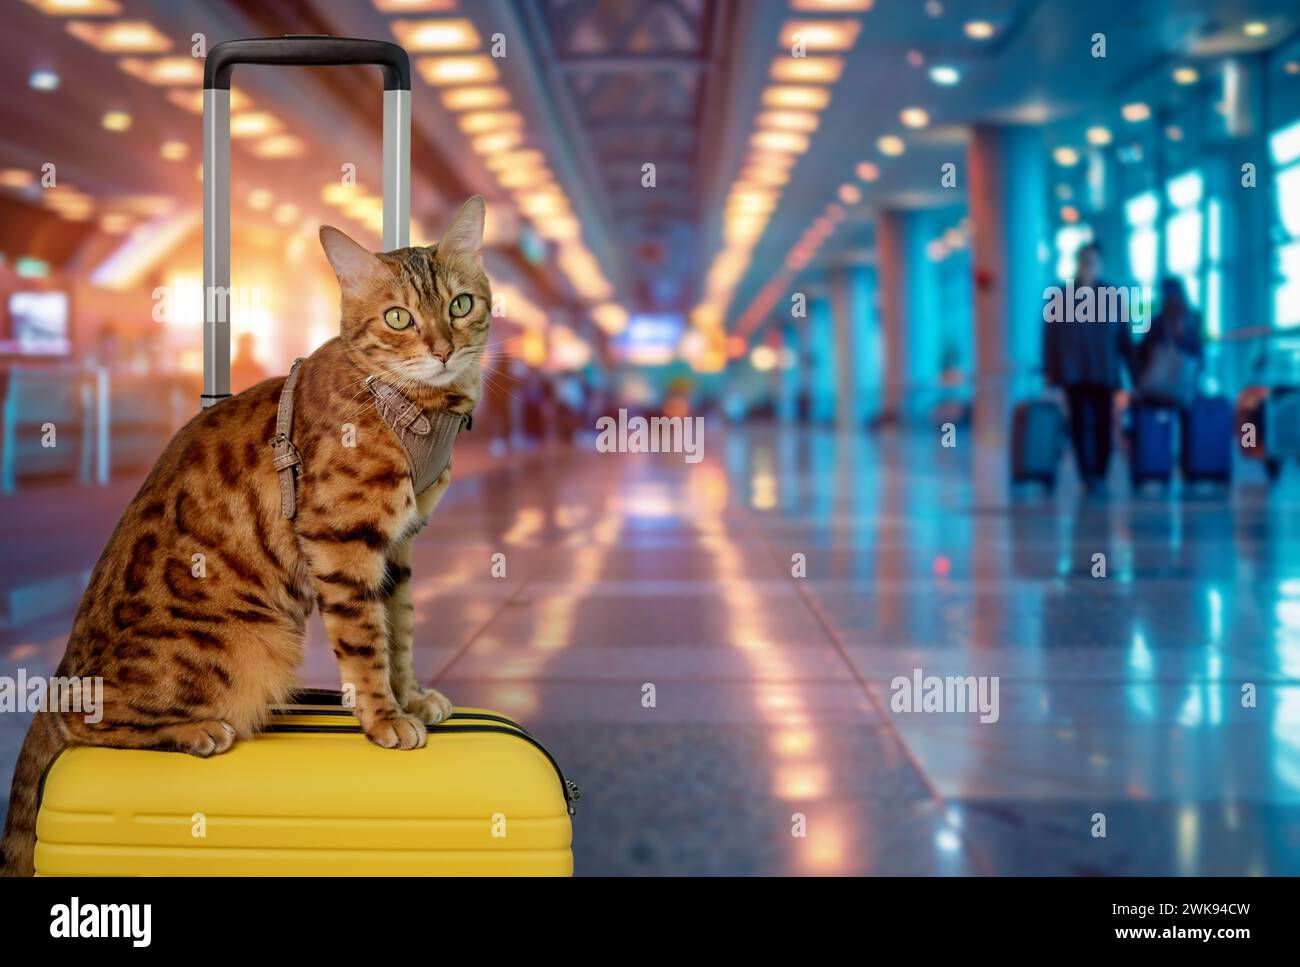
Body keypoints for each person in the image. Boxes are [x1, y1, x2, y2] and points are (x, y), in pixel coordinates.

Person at [1042, 241, 1135, 494]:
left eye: (1093, 260)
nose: (1089, 265)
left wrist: (1134, 371)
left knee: (1104, 422)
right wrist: (1050, 370)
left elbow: (1123, 336)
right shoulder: (1062, 296)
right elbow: (1050, 335)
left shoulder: (1113, 295)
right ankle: (1086, 473)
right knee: (1079, 422)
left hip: (1103, 371)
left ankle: (1100, 472)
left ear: (1100, 264)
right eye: (1086, 260)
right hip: (1074, 372)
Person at [1133, 277, 1202, 406]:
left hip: (1157, 390)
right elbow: (1198, 357)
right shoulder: (1192, 320)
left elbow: (1143, 354)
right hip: (1183, 392)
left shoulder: (1158, 322)